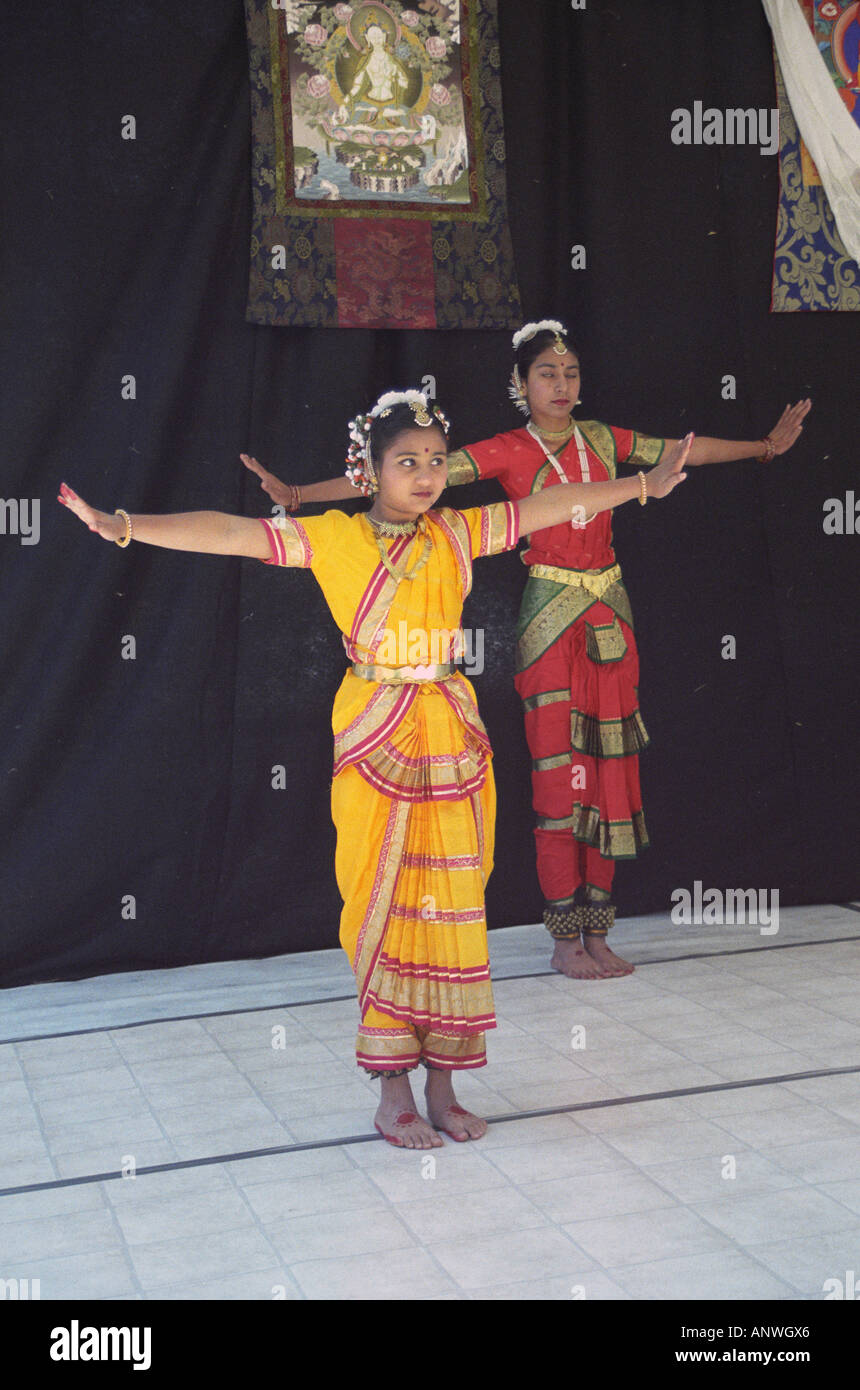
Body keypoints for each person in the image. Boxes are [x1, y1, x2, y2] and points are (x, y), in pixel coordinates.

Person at [59, 389, 689, 1148]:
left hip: (451, 728)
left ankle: (445, 1085)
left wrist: (641, 483)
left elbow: (560, 503)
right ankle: (392, 1089)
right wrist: (125, 527)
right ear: (370, 470)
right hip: (375, 731)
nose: (425, 476)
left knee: (455, 900)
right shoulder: (337, 538)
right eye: (406, 463)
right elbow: (233, 532)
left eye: (432, 462)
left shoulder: (459, 530)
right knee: (384, 904)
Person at [243, 325, 811, 983]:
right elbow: (392, 474)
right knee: (557, 779)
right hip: (548, 618)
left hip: (610, 614)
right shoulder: (507, 451)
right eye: (546, 374)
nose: (561, 386)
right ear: (520, 385)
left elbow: (683, 452)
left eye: (570, 373)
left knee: (608, 773)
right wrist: (297, 499)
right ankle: (564, 934)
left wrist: (765, 448)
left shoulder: (605, 440)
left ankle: (600, 927)